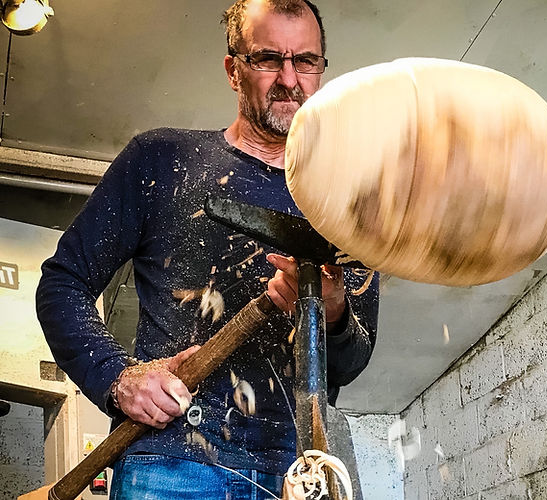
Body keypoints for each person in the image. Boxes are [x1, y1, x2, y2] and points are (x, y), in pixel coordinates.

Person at [35, 0, 379, 497]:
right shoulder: (161, 159)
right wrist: (118, 377)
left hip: (298, 474)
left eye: (305, 61)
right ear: (232, 70)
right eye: (266, 59)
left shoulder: (347, 204)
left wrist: (330, 311)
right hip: (171, 461)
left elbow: (351, 362)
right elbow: (63, 282)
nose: (289, 78)